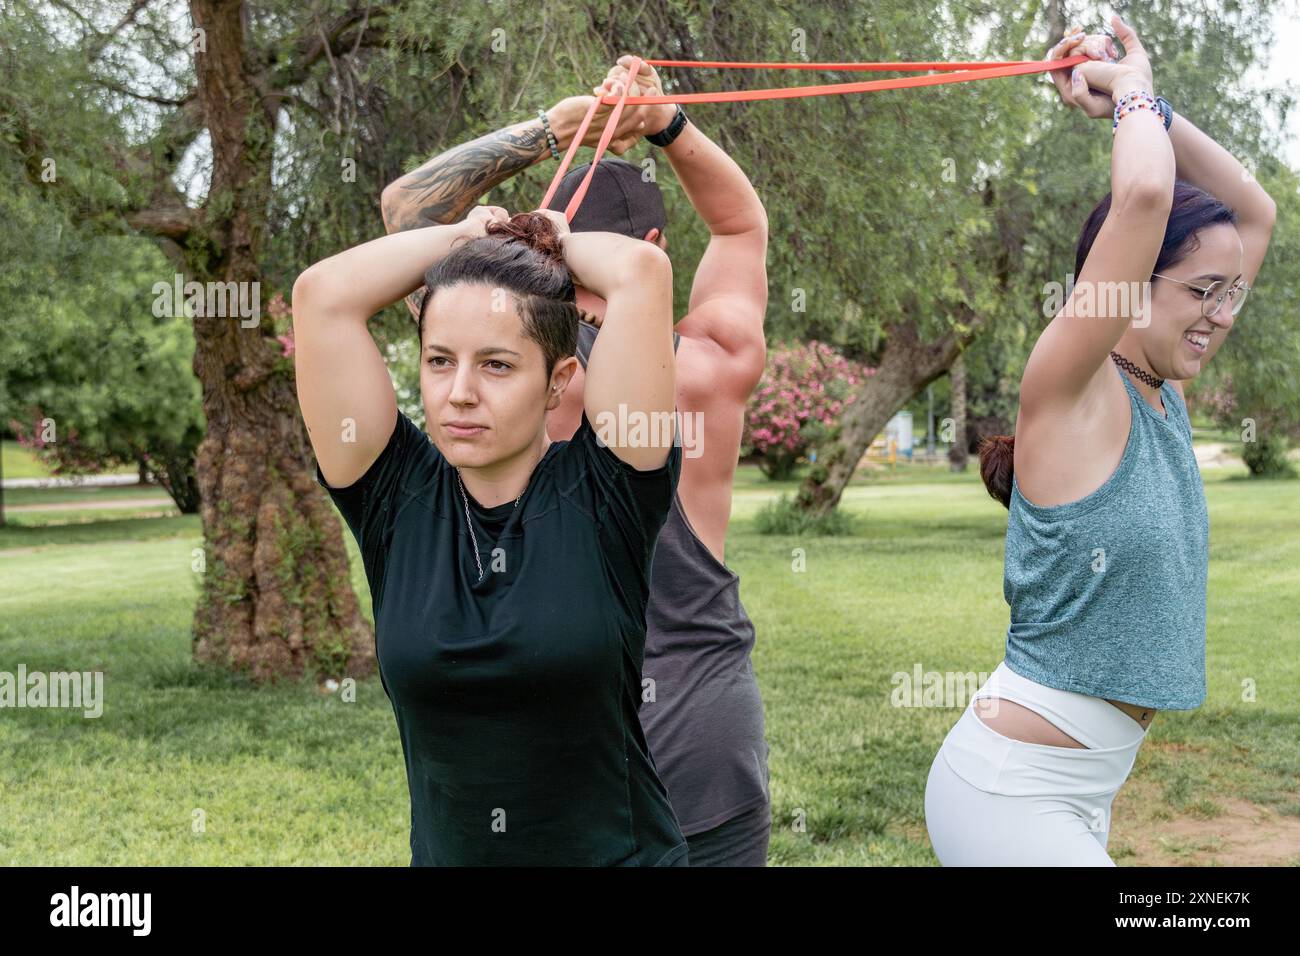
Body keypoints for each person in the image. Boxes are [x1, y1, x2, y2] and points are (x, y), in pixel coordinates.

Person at [379, 55, 773, 865]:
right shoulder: (709, 363)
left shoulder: (498, 363)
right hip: (706, 750)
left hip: (561, 774)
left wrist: (548, 133)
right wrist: (667, 123)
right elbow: (742, 227)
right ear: (653, 247)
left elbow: (405, 208)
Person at [924, 15, 1277, 865]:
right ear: (1125, 285)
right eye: (1202, 291)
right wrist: (1131, 91)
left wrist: (1136, 99)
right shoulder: (1074, 386)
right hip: (1009, 793)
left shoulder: (1161, 393)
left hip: (1082, 797)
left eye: (1231, 294)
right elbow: (1146, 197)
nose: (1222, 316)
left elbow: (1256, 211)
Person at [292, 201, 688, 866]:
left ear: (558, 382)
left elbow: (641, 273)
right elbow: (322, 296)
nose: (460, 393)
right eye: (440, 361)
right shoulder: (391, 498)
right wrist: (462, 238)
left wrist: (553, 239)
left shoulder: (609, 491)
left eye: (497, 365)